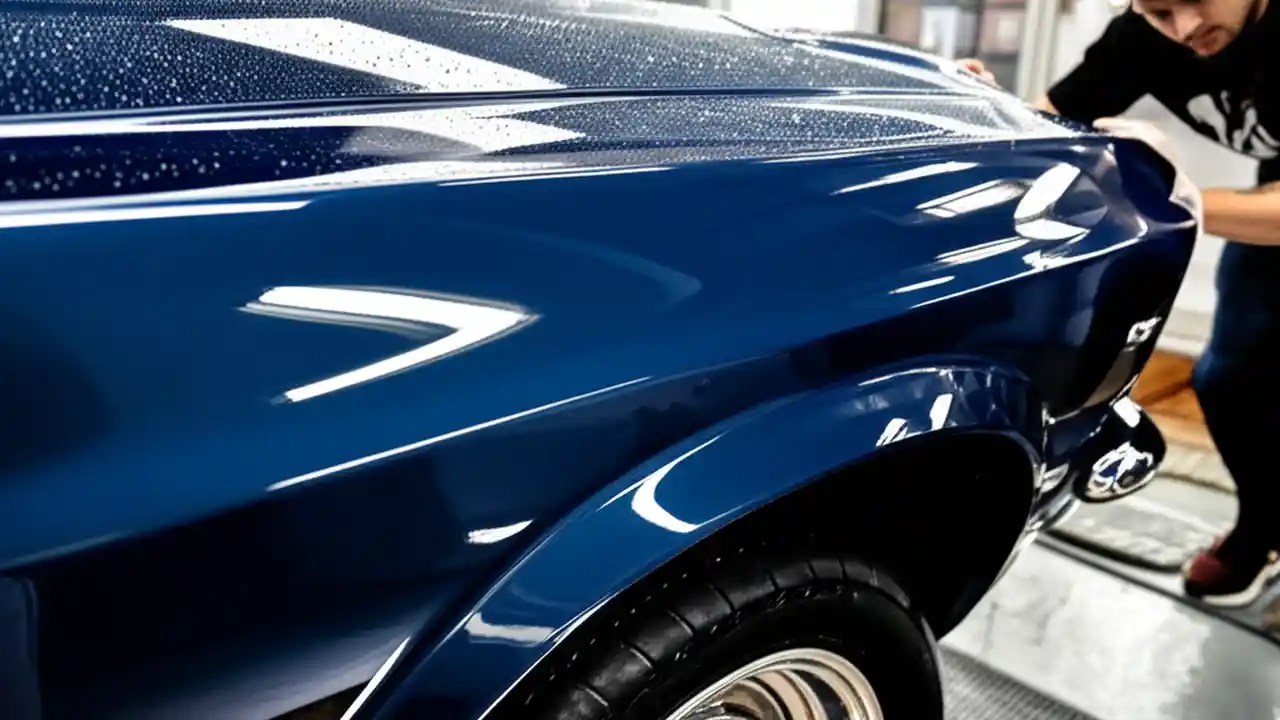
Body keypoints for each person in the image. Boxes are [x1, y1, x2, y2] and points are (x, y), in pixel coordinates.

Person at [961, 0, 1280, 605]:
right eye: (1161, 11)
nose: (1186, 30)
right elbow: (1052, 126)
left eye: (1197, 0)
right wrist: (984, 109)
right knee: (1228, 379)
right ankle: (1261, 532)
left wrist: (1186, 200)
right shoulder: (1141, 37)